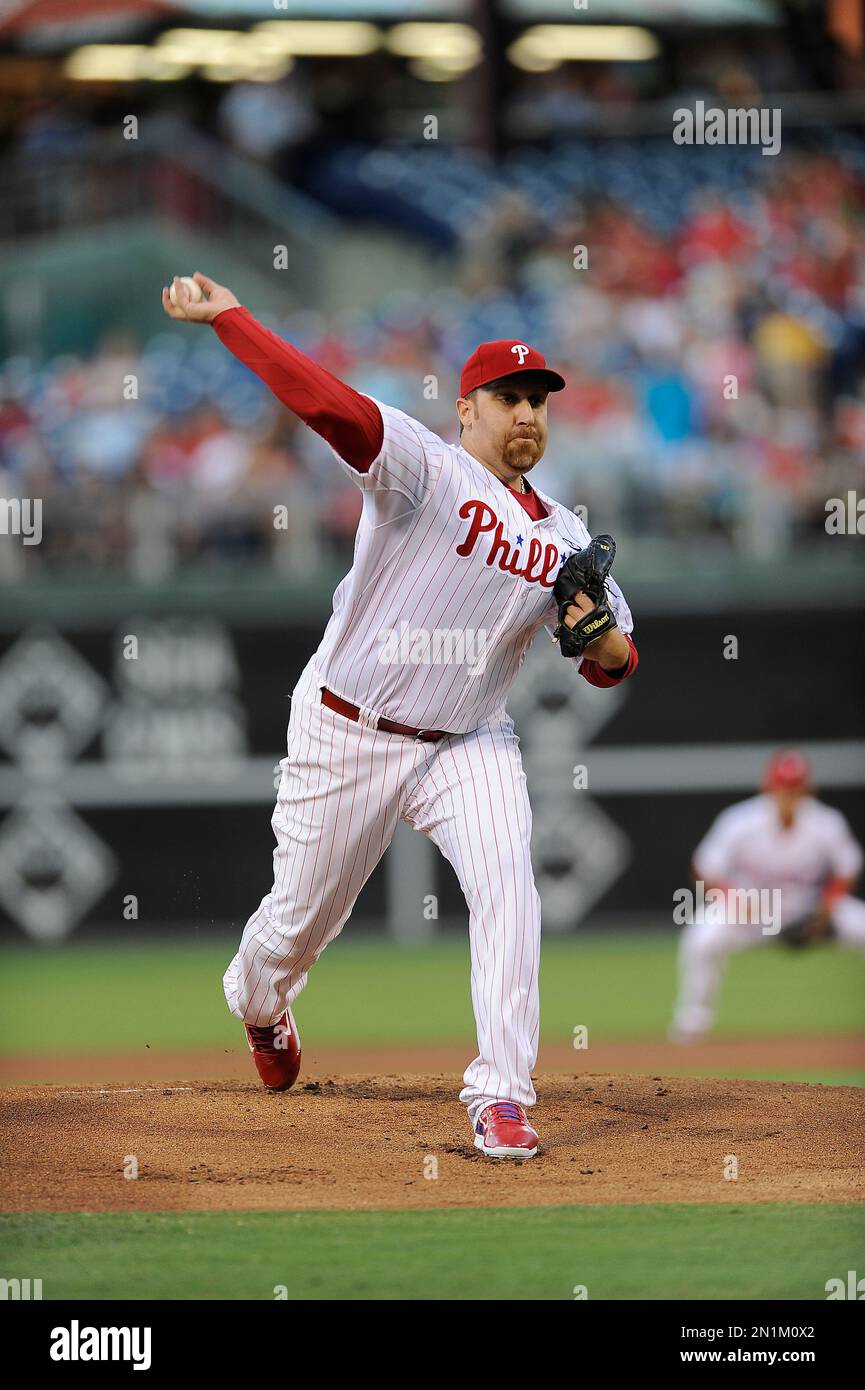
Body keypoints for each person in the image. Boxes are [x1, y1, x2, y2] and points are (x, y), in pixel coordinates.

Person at [162, 272, 639, 1159]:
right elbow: (330, 407)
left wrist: (596, 632)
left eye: (538, 399)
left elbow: (616, 664)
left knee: (508, 886)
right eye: (508, 397)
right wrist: (232, 319)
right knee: (295, 925)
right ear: (468, 410)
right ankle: (261, 1007)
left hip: (468, 738)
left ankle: (501, 1094)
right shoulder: (427, 466)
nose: (527, 412)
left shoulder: (569, 538)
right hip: (347, 728)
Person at [670, 749, 865, 1043]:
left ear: (807, 790)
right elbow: (704, 868)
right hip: (750, 908)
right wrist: (732, 898)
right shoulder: (739, 821)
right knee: (702, 939)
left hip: (805, 908)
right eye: (783, 787)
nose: (788, 795)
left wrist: (828, 905)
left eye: (795, 788)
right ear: (769, 788)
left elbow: (848, 867)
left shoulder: (827, 822)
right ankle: (693, 1022)